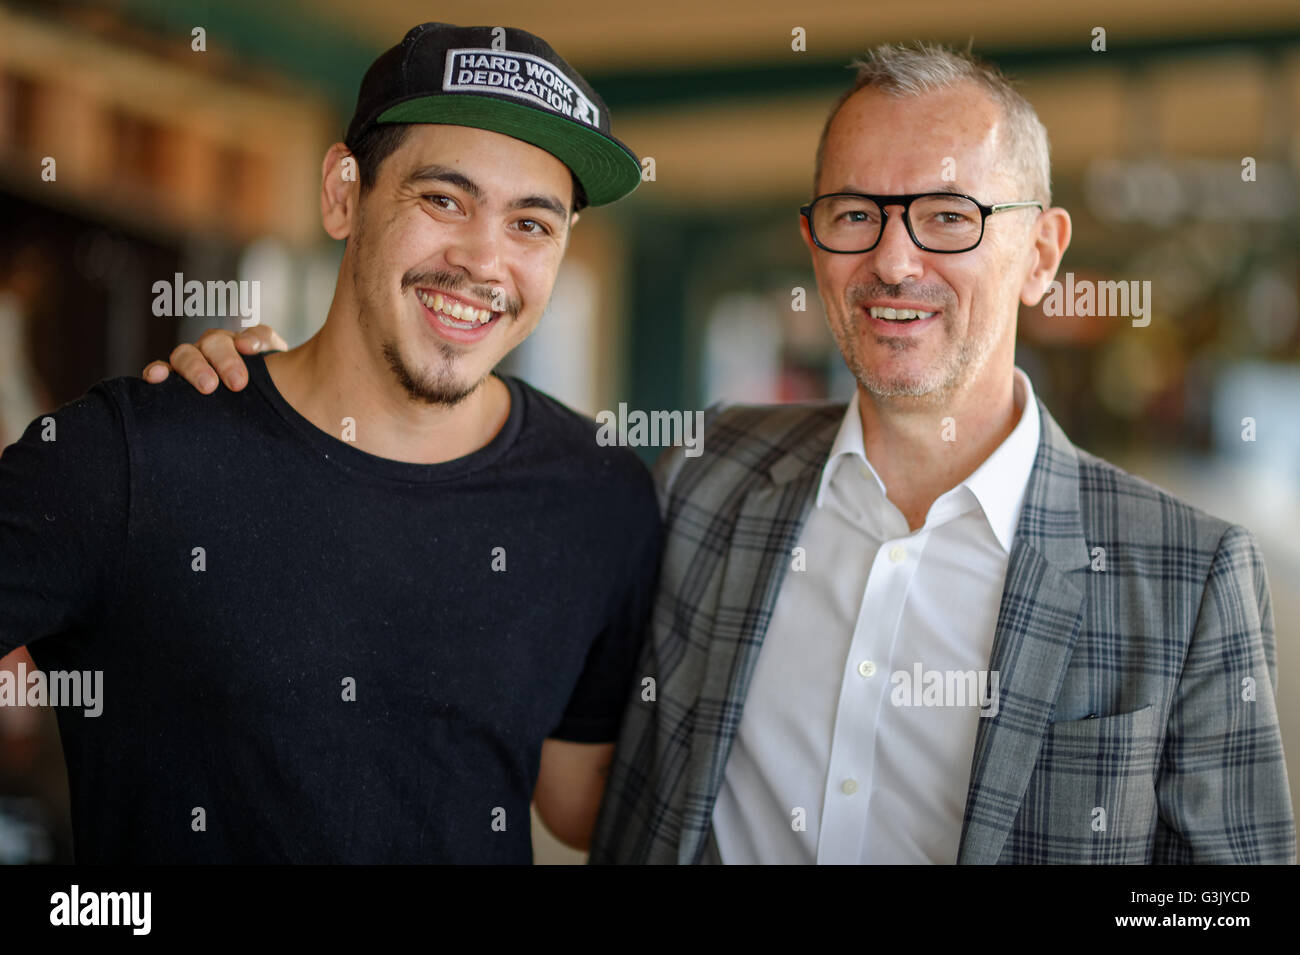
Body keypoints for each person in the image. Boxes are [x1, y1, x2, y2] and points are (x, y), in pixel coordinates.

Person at [151, 44, 1296, 865]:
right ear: (813, 243)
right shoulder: (698, 479)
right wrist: (275, 397)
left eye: (948, 216)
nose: (894, 262)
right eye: (855, 214)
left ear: (1041, 252)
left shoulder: (1186, 575)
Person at [0, 22, 661, 863]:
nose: (483, 261)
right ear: (343, 194)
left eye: (533, 224)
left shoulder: (599, 495)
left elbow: (580, 799)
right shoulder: (134, 454)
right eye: (443, 199)